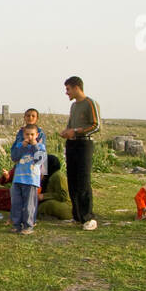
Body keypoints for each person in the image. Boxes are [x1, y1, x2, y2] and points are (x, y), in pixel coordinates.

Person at [59, 76, 100, 230]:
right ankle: (77, 216)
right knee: (73, 180)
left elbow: (96, 126)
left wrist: (75, 131)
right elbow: (71, 125)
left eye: (68, 89)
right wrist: (66, 132)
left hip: (84, 143)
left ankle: (88, 217)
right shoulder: (73, 107)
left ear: (77, 88)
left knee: (83, 180)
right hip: (72, 144)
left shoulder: (90, 103)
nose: (66, 93)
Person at [10, 113, 47, 234]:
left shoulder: (40, 146)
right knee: (16, 203)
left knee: (29, 205)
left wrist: (35, 145)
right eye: (27, 134)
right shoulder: (20, 145)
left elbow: (40, 160)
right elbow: (14, 157)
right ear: (23, 135)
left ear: (37, 135)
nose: (29, 137)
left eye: (32, 135)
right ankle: (16, 224)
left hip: (31, 179)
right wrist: (22, 147)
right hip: (18, 178)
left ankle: (28, 225)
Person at [38, 154, 72, 220]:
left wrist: (44, 196)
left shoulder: (58, 176)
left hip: (66, 206)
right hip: (58, 203)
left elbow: (63, 196)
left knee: (47, 205)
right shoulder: (49, 176)